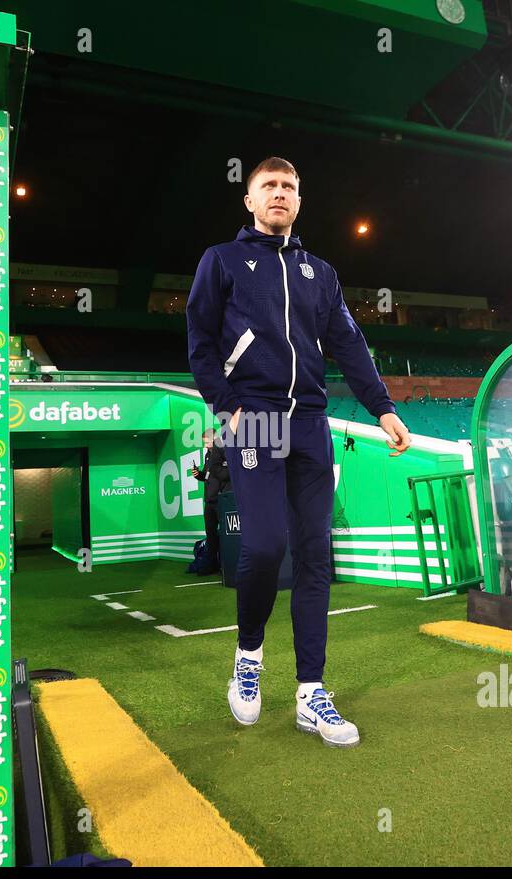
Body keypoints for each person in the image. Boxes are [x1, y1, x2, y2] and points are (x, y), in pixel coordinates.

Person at [185, 156, 411, 748]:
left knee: (316, 555)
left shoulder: (321, 273)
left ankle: (312, 692)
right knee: (263, 545)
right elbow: (201, 341)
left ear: (299, 202)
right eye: (269, 187)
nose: (280, 194)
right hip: (255, 417)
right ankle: (249, 654)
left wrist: (382, 406)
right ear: (250, 200)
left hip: (310, 422)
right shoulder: (224, 260)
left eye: (289, 187)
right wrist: (226, 405)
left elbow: (349, 344)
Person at [189, 428, 230, 575]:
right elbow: (208, 476)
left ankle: (227, 566)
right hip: (209, 501)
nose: (205, 445)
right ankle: (211, 565)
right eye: (204, 442)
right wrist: (198, 474)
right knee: (211, 535)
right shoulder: (208, 455)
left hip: (221, 501)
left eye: (207, 442)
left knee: (226, 535)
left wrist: (218, 474)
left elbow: (226, 474)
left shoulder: (225, 452)